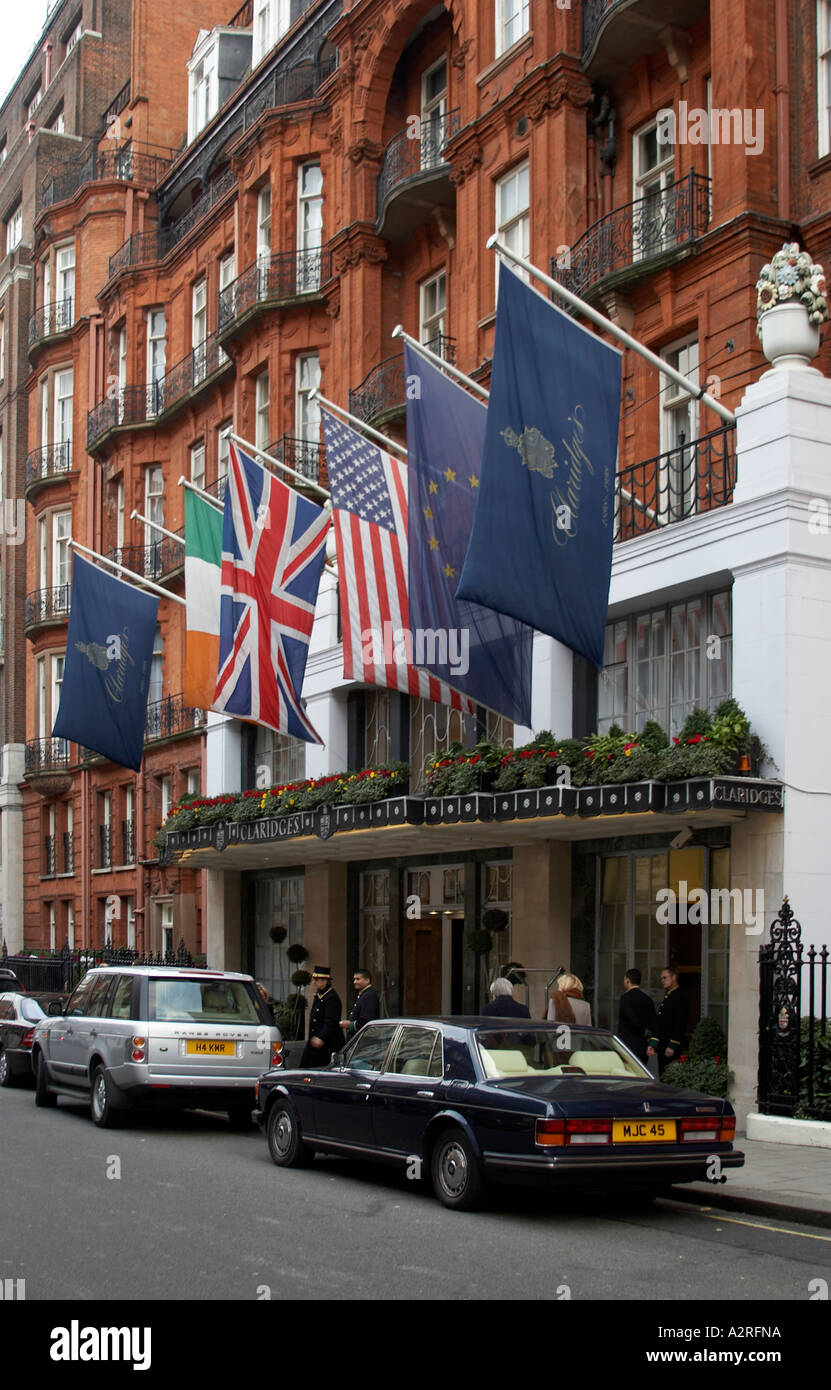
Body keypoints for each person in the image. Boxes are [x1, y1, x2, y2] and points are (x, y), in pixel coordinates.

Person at [300, 966, 343, 1068]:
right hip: (315, 1042)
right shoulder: (319, 995)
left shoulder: (331, 998)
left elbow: (331, 1021)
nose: (314, 982)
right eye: (314, 980)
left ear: (325, 981)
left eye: (317, 980)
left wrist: (321, 1037)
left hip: (327, 1044)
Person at [647, 967, 686, 1074]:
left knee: (669, 1077)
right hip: (663, 1044)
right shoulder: (669, 995)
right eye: (661, 978)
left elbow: (680, 1022)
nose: (662, 980)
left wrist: (673, 1045)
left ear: (674, 977)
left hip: (670, 1046)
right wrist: (654, 1043)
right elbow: (660, 1021)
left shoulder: (679, 996)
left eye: (665, 977)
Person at [616, 967, 658, 1063]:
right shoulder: (647, 999)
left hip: (627, 1045)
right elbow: (654, 1023)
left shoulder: (625, 998)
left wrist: (644, 1031)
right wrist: (650, 1038)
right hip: (643, 1045)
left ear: (627, 981)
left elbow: (632, 1019)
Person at [340, 969, 380, 1036]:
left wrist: (350, 1025)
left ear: (367, 980)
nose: (354, 982)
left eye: (358, 979)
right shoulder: (364, 994)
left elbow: (366, 1021)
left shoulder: (369, 995)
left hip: (364, 1038)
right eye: (354, 979)